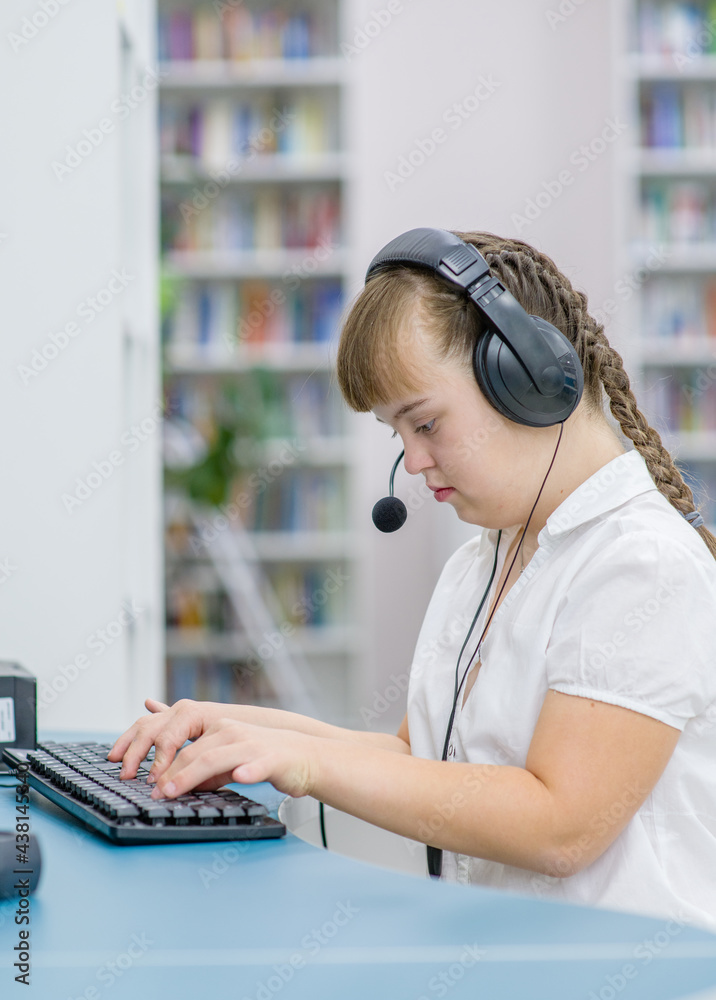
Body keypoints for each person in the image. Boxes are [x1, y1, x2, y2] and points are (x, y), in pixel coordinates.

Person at [110, 229, 716, 932]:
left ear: (529, 378)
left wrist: (308, 763)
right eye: (397, 434)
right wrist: (238, 729)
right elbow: (414, 753)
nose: (414, 461)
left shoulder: (640, 563)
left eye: (425, 422)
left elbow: (561, 825)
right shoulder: (484, 558)